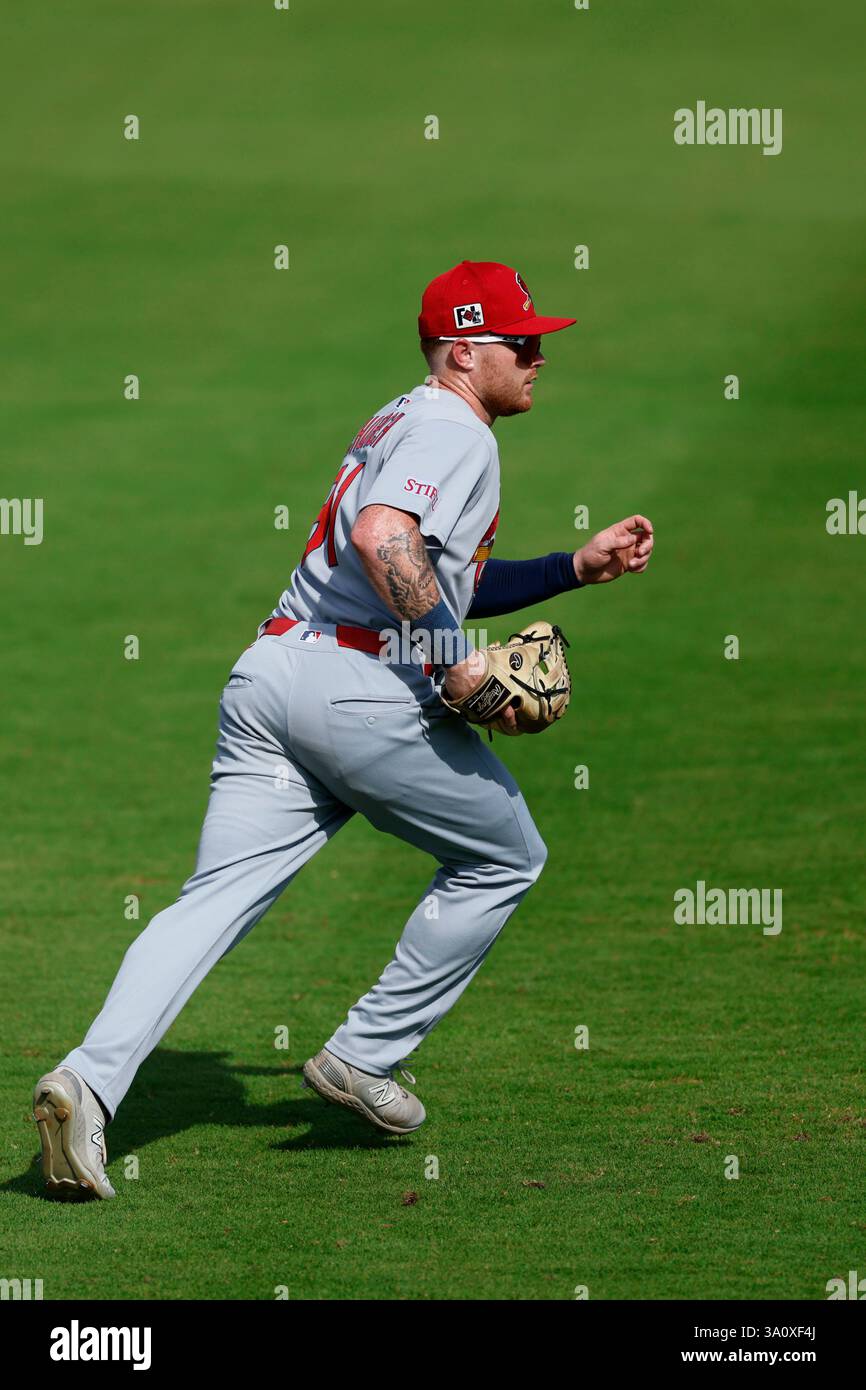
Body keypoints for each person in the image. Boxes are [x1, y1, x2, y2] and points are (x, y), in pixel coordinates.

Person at [33, 259, 654, 1199]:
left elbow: (435, 568)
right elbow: (384, 537)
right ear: (461, 351)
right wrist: (451, 660)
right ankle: (364, 1054)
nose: (537, 355)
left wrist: (574, 565)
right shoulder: (456, 430)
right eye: (518, 342)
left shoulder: (406, 416)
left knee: (211, 900)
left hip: (273, 675)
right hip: (359, 689)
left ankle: (86, 1080)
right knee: (504, 857)